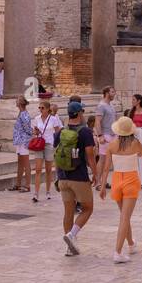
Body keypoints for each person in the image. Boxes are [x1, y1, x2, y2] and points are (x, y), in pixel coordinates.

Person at [98, 117, 142, 263]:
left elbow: (105, 169)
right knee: (125, 217)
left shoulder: (111, 145)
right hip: (131, 181)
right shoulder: (135, 143)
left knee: (124, 215)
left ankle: (131, 244)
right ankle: (117, 252)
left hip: (117, 180)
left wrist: (103, 186)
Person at [55, 106, 98, 255]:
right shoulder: (85, 132)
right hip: (79, 177)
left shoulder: (61, 131)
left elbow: (56, 150)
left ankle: (69, 248)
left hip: (63, 177)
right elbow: (90, 156)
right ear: (79, 113)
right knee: (88, 208)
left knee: (68, 211)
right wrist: (96, 173)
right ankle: (71, 235)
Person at [30, 100, 60, 203]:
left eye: (42, 108)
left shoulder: (53, 119)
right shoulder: (36, 118)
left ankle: (48, 191)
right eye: (39, 108)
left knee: (48, 170)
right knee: (38, 169)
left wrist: (56, 144)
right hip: (39, 144)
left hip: (49, 144)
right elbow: (33, 132)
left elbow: (57, 132)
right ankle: (36, 193)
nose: (40, 110)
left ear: (48, 109)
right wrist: (36, 132)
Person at [9, 97, 32, 195]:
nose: (16, 101)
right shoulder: (21, 113)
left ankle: (27, 185)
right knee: (20, 163)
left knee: (26, 164)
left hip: (23, 141)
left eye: (17, 100)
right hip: (19, 141)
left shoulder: (24, 114)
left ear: (20, 103)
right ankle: (18, 184)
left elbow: (28, 129)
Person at [94, 86, 119, 172]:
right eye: (112, 92)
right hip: (105, 135)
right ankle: (98, 182)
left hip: (113, 135)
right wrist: (100, 136)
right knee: (102, 159)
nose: (114, 94)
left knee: (111, 160)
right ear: (107, 93)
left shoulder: (111, 105)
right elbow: (97, 121)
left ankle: (104, 181)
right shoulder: (101, 106)